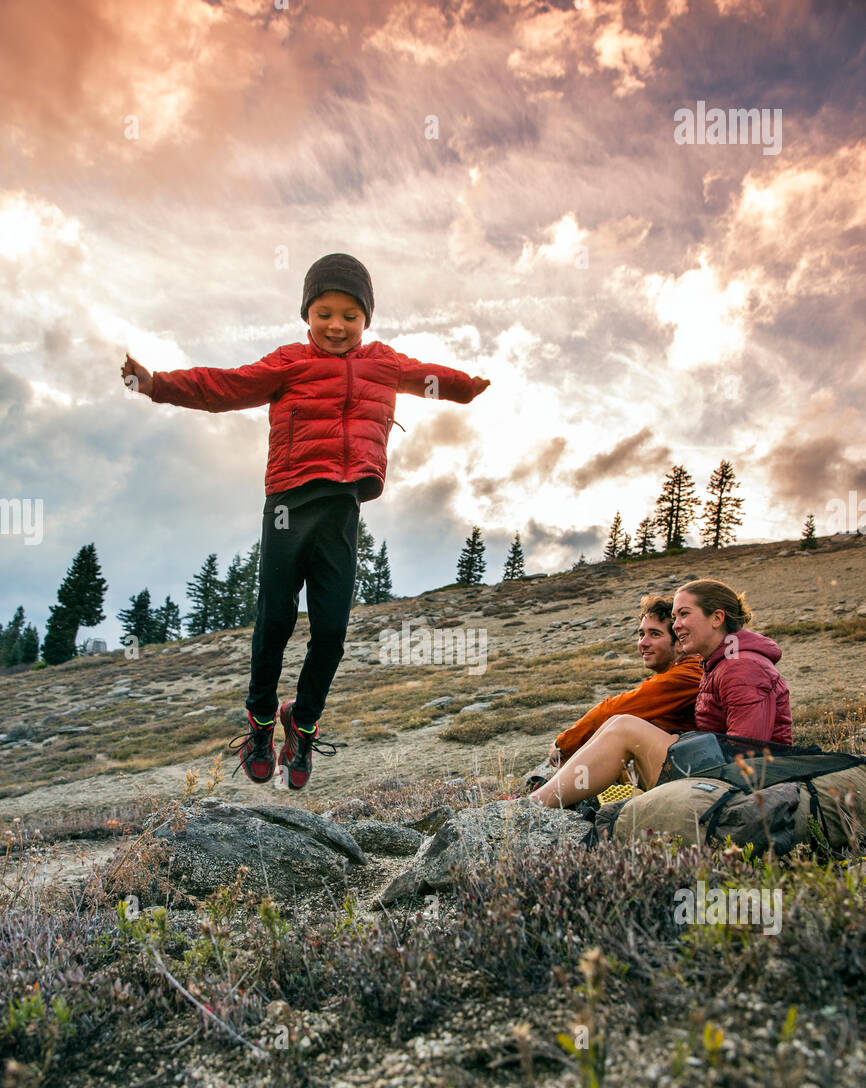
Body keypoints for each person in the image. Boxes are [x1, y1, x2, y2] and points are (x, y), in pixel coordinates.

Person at [121, 253, 490, 789]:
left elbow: (425, 377)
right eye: (324, 313)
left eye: (349, 315)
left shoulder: (382, 362)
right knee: (275, 620)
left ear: (366, 320)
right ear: (306, 314)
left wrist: (466, 387)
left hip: (343, 507)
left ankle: (304, 721)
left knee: (333, 632)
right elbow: (225, 385)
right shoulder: (289, 363)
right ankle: (261, 718)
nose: (336, 326)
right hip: (288, 506)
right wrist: (157, 385)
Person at [523, 579, 792, 810]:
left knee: (625, 728)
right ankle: (546, 799)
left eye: (684, 615)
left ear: (717, 618)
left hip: (735, 794)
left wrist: (684, 744)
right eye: (675, 617)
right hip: (715, 779)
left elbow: (747, 758)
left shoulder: (742, 667)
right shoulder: (718, 665)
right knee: (623, 728)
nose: (677, 625)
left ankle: (533, 806)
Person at [546, 594, 701, 768]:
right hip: (688, 758)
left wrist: (563, 745)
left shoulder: (687, 674)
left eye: (655, 634)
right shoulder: (680, 670)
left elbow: (614, 709)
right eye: (641, 634)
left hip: (695, 765)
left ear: (680, 642)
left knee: (620, 725)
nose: (643, 643)